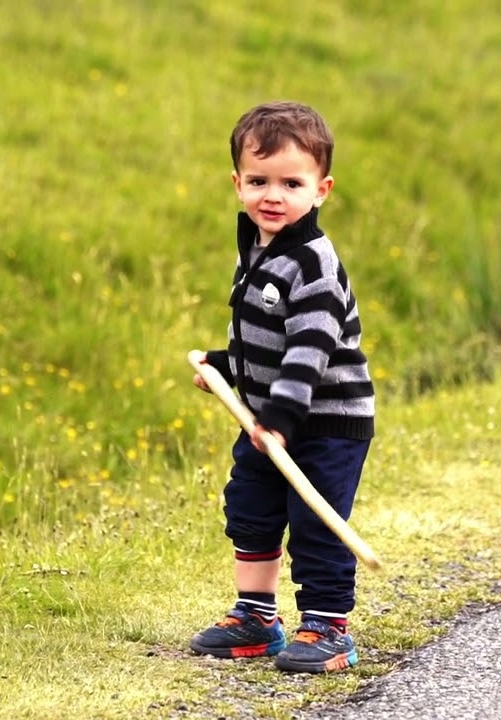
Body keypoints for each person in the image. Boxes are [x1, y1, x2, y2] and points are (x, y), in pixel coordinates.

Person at [189, 101, 376, 673]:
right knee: (251, 507)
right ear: (238, 183)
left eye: (291, 183)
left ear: (321, 190)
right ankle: (255, 617)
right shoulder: (257, 248)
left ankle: (326, 626)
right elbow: (259, 333)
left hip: (323, 421)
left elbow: (309, 350)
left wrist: (284, 419)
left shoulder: (313, 265)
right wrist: (226, 368)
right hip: (269, 415)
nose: (273, 195)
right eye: (259, 181)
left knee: (316, 522)